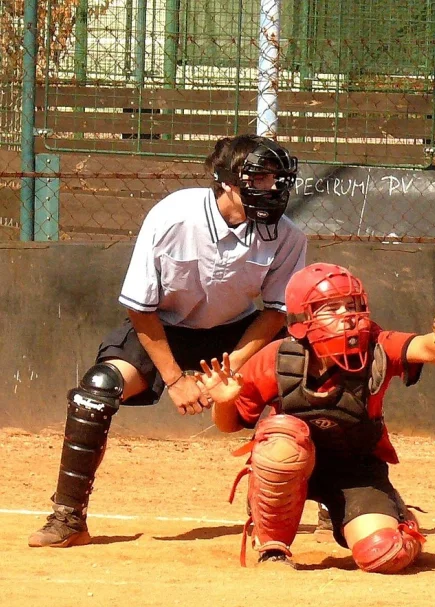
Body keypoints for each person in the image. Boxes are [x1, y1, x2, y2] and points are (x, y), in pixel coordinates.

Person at [29, 135, 307, 548]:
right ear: (227, 181)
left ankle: (283, 514)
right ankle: (68, 518)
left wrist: (230, 367)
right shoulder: (173, 217)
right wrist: (176, 380)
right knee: (97, 390)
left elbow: (275, 312)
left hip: (237, 330)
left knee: (296, 379)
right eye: (261, 178)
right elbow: (140, 308)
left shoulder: (286, 236)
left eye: (279, 179)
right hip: (163, 328)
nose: (274, 189)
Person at [194, 262, 435, 573]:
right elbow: (229, 424)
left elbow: (420, 346)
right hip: (295, 465)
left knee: (384, 555)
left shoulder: (376, 345)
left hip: (355, 469)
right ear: (303, 320)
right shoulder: (279, 357)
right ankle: (273, 548)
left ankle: (402, 523)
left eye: (353, 306)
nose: (348, 317)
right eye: (331, 308)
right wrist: (223, 402)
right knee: (280, 442)